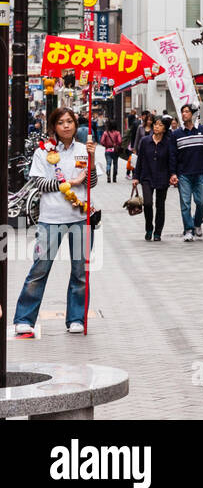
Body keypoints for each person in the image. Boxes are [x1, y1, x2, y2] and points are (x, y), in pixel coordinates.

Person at [13, 107, 98, 337]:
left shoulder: (83, 149)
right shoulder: (44, 151)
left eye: (70, 121)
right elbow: (39, 183)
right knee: (40, 269)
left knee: (81, 272)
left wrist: (91, 160)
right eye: (61, 122)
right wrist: (69, 183)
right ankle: (24, 318)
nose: (67, 126)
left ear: (75, 123)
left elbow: (91, 183)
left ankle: (76, 318)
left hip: (80, 218)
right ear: (54, 126)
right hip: (51, 219)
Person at [133, 115, 177, 241]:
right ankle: (149, 228)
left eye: (160, 125)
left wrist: (173, 174)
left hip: (163, 177)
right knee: (147, 203)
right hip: (146, 176)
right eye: (155, 124)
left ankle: (158, 232)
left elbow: (171, 160)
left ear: (165, 128)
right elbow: (140, 160)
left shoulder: (168, 143)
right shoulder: (145, 141)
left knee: (160, 205)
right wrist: (136, 177)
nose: (156, 127)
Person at [174, 104, 203, 242]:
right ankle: (188, 230)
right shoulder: (177, 134)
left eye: (186, 111)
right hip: (183, 174)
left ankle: (197, 223)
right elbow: (173, 156)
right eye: (182, 112)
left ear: (192, 114)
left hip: (200, 172)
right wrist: (173, 174)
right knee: (185, 203)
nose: (184, 114)